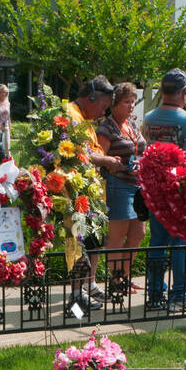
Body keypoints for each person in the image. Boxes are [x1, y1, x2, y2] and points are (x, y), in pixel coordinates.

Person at [143, 67, 186, 312]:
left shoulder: (149, 118)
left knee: (158, 242)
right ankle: (179, 295)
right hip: (183, 190)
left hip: (155, 190)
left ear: (162, 91)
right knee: (181, 242)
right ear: (185, 92)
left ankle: (155, 294)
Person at [66, 75, 122, 312]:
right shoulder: (71, 115)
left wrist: (105, 160)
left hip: (90, 195)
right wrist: (106, 160)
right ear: (91, 97)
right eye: (101, 107)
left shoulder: (84, 119)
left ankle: (82, 294)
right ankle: (76, 299)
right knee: (76, 244)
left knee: (90, 243)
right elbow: (80, 155)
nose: (101, 113)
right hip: (73, 195)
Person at [97, 82, 145, 290]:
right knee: (118, 235)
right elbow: (99, 158)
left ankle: (124, 276)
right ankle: (116, 281)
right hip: (118, 185)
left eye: (133, 102)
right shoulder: (106, 128)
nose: (131, 106)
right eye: (126, 102)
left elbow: (141, 147)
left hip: (137, 185)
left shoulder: (132, 125)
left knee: (138, 234)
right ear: (115, 104)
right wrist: (111, 163)